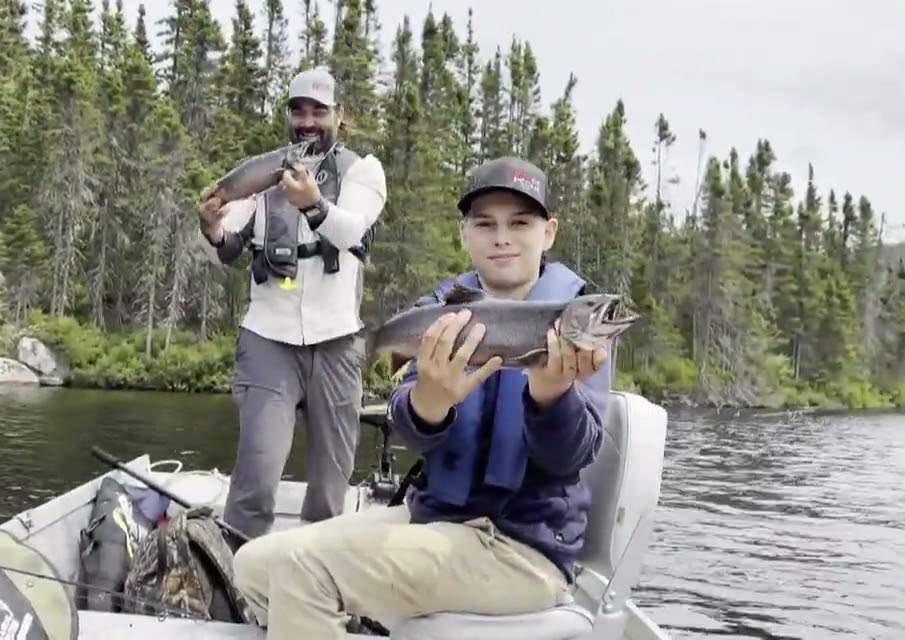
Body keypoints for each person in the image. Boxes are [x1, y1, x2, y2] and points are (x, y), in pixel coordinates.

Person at [231, 156, 611, 639]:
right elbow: (408, 423)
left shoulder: (578, 327)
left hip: (520, 549)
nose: (502, 237)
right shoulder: (441, 310)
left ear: (549, 232)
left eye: (520, 223)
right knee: (252, 565)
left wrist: (552, 398)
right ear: (464, 233)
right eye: (485, 224)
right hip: (433, 517)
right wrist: (431, 401)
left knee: (303, 570)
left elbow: (572, 457)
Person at [197, 67, 389, 543]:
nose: (307, 121)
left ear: (339, 116)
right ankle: (239, 567)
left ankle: (313, 571)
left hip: (337, 342)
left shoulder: (362, 172)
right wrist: (212, 229)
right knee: (257, 478)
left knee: (330, 485)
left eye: (318, 111)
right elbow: (229, 241)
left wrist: (312, 204)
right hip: (268, 338)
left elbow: (350, 231)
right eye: (298, 111)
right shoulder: (263, 174)